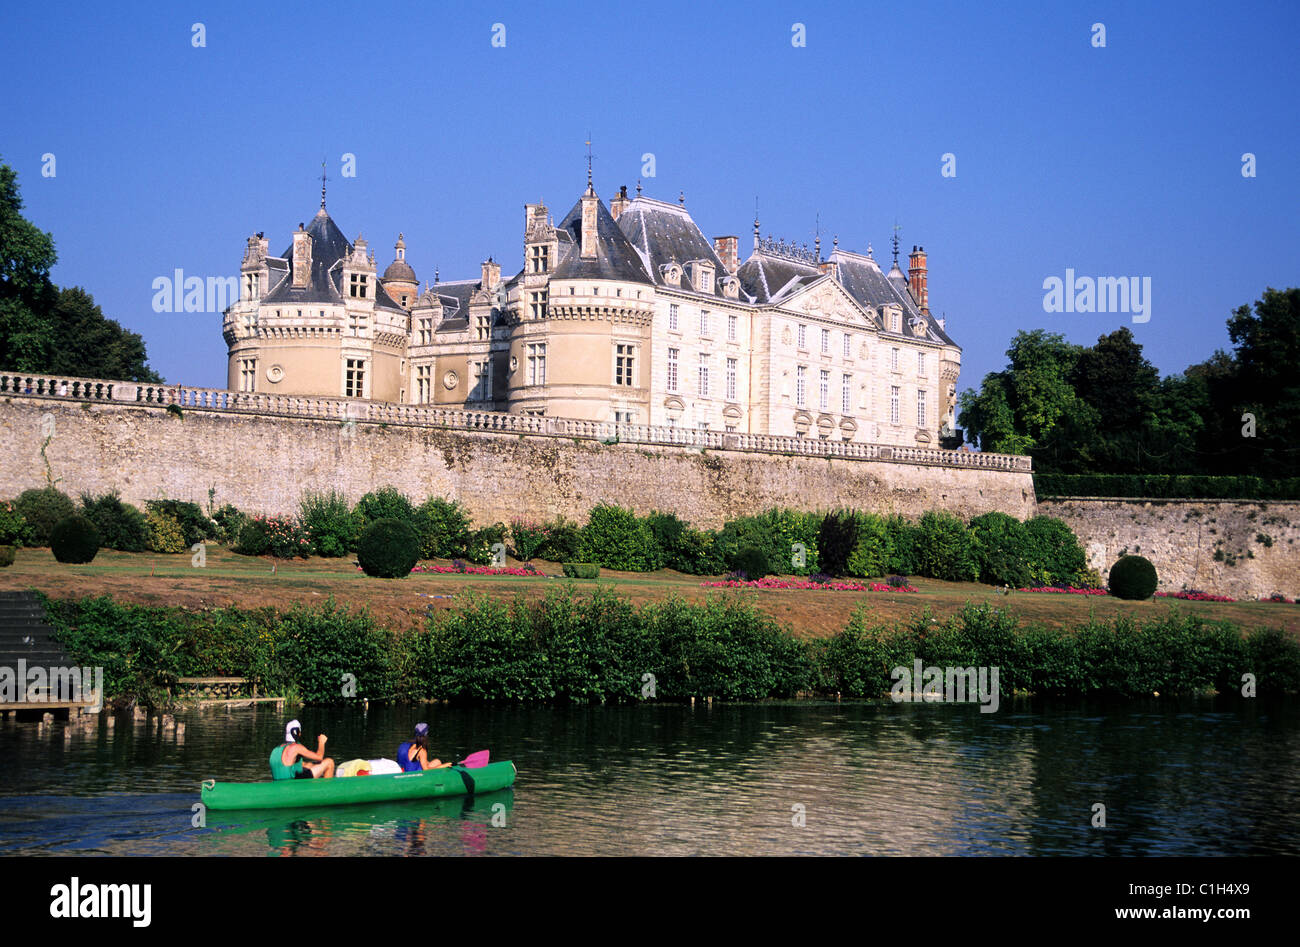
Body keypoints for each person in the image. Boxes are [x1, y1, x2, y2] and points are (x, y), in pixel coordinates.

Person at [270, 719, 334, 780]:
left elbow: (296, 765)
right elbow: (320, 757)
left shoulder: (276, 749)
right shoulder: (296, 747)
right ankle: (327, 789)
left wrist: (311, 765)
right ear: (297, 732)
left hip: (279, 783)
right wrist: (321, 742)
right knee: (329, 762)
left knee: (307, 764)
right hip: (291, 785)